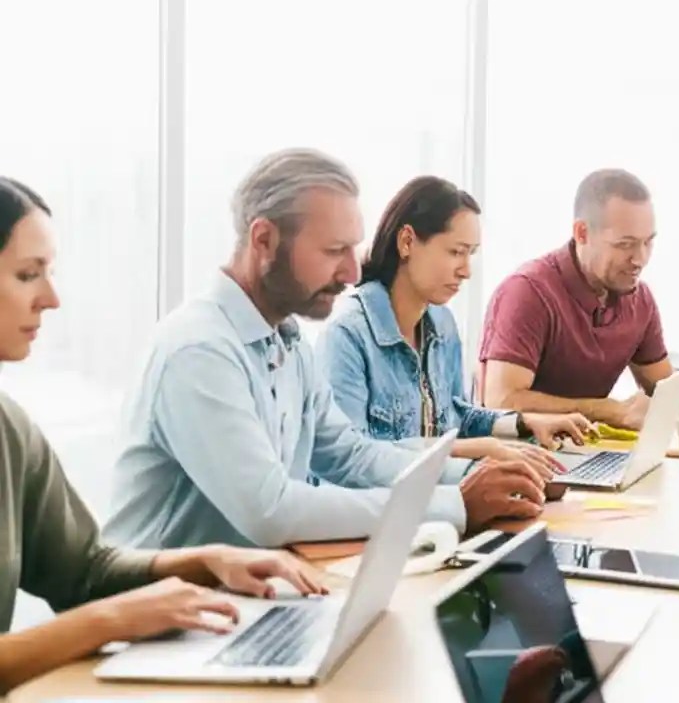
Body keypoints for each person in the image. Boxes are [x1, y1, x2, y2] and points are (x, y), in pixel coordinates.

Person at [104, 149, 545, 550]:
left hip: (247, 598)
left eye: (353, 249)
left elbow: (351, 455)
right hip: (163, 625)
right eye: (335, 251)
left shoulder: (288, 345)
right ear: (264, 241)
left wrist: (483, 479)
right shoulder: (200, 351)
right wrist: (454, 502)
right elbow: (270, 512)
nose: (353, 272)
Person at [0, 176, 326, 694]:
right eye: (26, 275)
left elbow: (84, 570)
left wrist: (207, 562)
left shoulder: (9, 428)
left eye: (50, 273)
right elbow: (97, 603)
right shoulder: (195, 346)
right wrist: (114, 619)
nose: (52, 299)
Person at [317, 176, 593, 479]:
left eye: (470, 254)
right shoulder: (347, 335)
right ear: (407, 242)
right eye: (455, 252)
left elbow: (454, 415)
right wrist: (477, 450)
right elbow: (353, 461)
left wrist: (524, 423)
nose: (466, 271)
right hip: (374, 518)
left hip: (438, 501)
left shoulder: (442, 323)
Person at [478, 169, 672, 431]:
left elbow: (665, 391)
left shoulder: (640, 298)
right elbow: (500, 401)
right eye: (625, 244)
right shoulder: (527, 292)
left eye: (648, 242)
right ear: (582, 233)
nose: (640, 259)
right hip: (522, 456)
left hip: (588, 454)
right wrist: (605, 411)